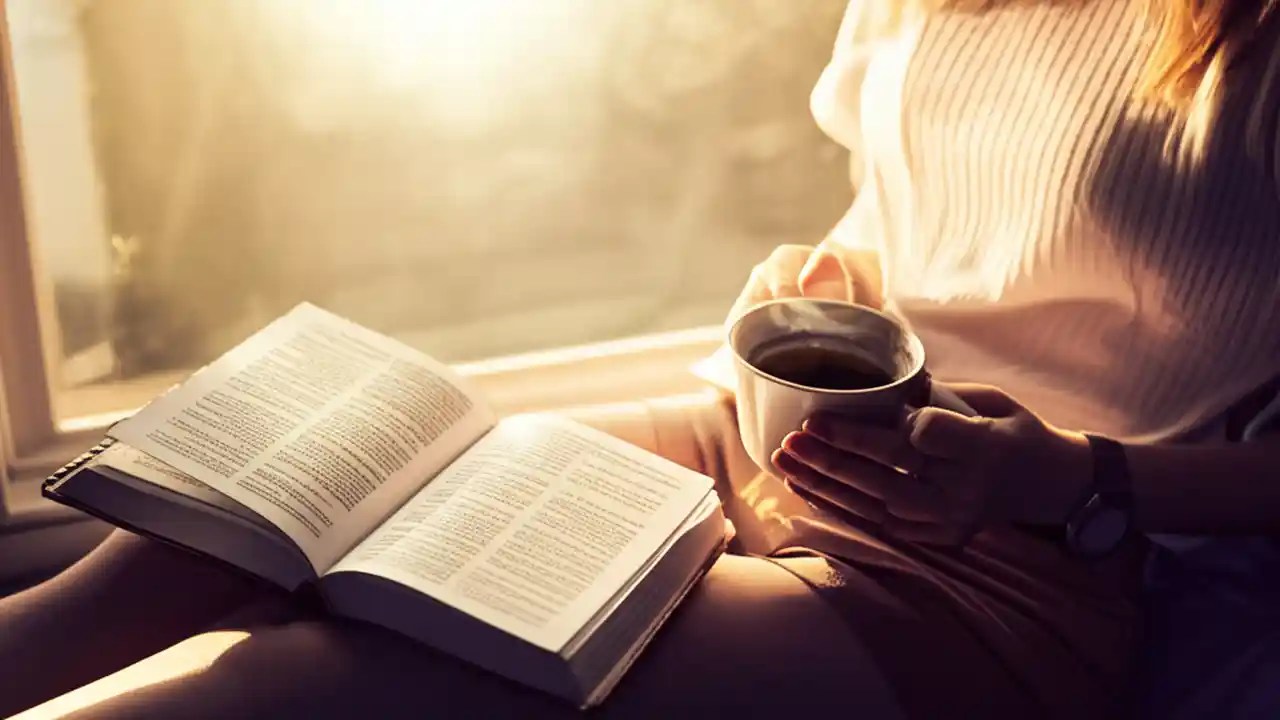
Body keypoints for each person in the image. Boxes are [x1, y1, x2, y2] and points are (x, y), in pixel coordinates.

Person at [6, 0, 1280, 714]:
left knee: (307, 684)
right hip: (792, 434)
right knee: (255, 524)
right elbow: (912, 220)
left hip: (1023, 554)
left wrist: (1074, 477)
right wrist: (823, 281)